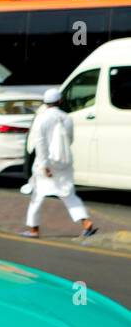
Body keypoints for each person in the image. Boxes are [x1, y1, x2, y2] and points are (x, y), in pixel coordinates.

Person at [20, 88, 97, 240]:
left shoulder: (41, 118)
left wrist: (44, 165)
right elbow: (69, 139)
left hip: (46, 163)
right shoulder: (67, 118)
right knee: (68, 194)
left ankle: (34, 230)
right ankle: (86, 223)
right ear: (60, 102)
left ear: (45, 103)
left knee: (37, 195)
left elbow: (40, 143)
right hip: (64, 162)